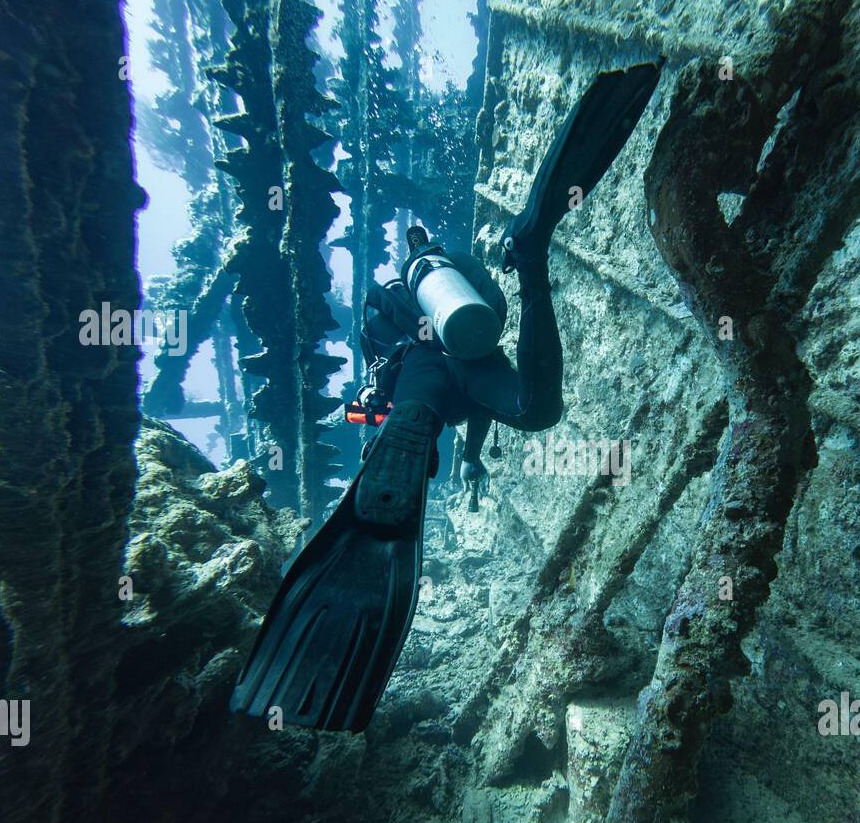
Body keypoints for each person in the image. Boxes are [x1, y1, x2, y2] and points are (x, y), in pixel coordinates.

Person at [230, 61, 662, 732]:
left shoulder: (393, 302)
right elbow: (481, 388)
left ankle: (378, 508)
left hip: (431, 378)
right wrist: (471, 456)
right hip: (471, 364)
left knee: (407, 431)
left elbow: (390, 369)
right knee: (535, 408)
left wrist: (389, 413)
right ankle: (533, 252)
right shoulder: (447, 274)